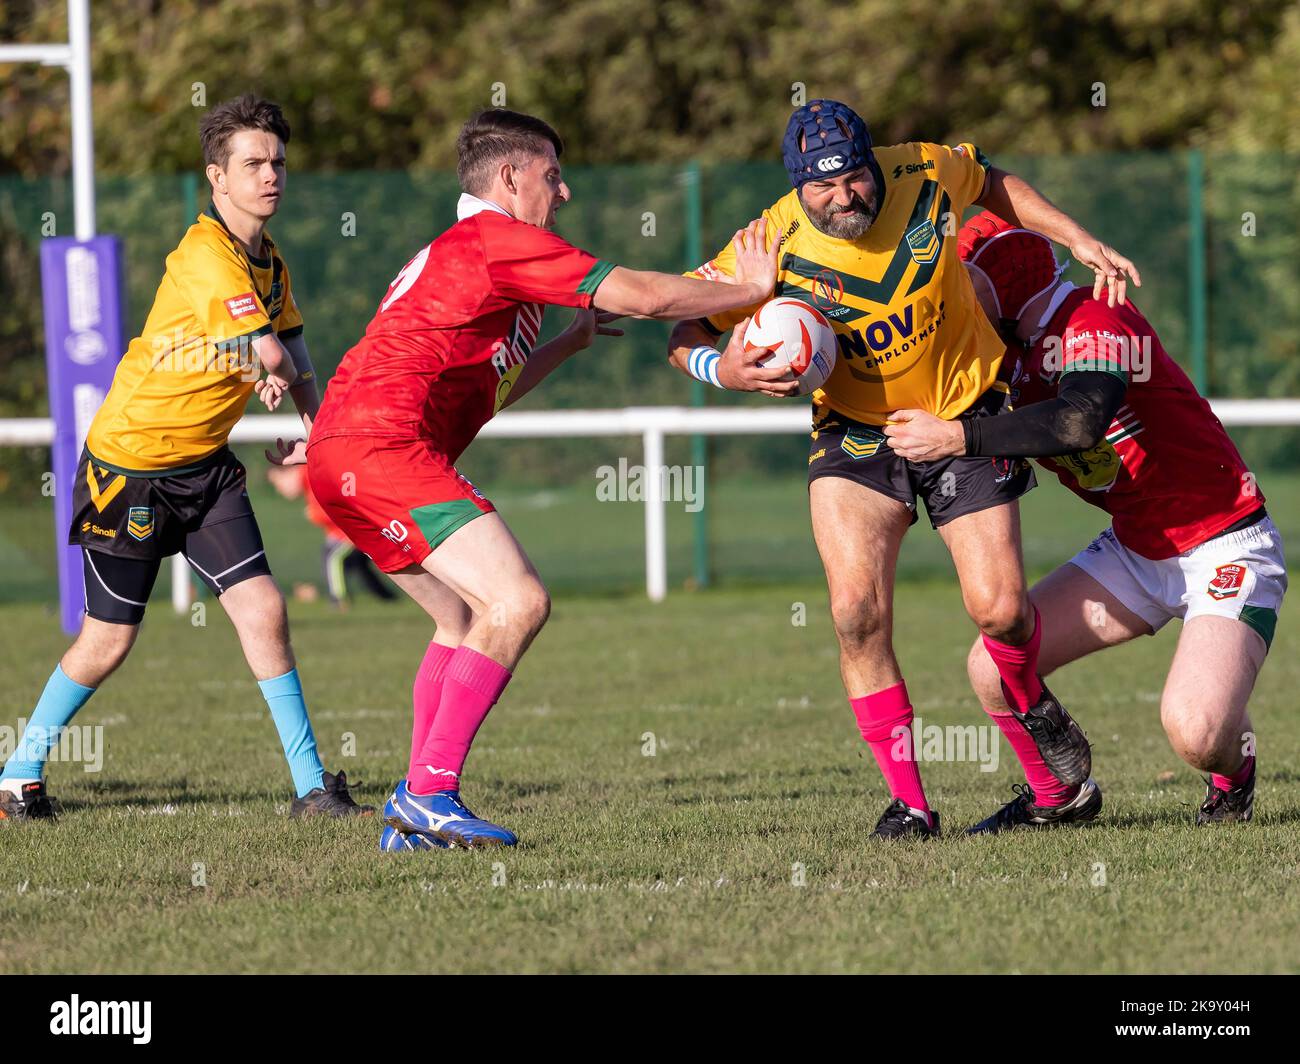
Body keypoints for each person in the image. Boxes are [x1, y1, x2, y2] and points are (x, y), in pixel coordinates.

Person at [307, 108, 781, 851]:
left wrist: (569, 343)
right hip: (382, 447)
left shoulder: (461, 252)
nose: (562, 194)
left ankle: (412, 807)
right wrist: (748, 290)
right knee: (519, 600)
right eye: (552, 176)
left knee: (460, 621)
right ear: (510, 177)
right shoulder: (498, 241)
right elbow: (648, 295)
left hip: (343, 454)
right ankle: (431, 793)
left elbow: (490, 388)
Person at [667, 99, 1139, 839]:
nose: (844, 197)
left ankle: (1048, 763)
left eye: (853, 178)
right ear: (797, 185)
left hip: (965, 417)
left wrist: (1077, 237)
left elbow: (994, 185)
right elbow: (684, 323)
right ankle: (911, 806)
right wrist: (720, 367)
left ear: (870, 161)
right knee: (855, 613)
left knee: (1002, 613)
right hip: (856, 437)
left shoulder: (921, 170)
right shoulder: (767, 241)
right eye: (822, 188)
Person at [0, 95, 369, 822]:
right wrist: (269, 372)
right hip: (128, 467)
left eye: (278, 163)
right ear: (216, 177)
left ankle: (311, 791)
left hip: (204, 466)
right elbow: (264, 351)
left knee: (263, 609)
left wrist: (313, 424)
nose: (271, 176)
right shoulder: (206, 253)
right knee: (108, 641)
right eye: (253, 164)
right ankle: (17, 776)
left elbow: (291, 349)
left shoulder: (271, 262)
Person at [883, 210, 1286, 832]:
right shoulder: (998, 356)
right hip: (1134, 552)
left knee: (1198, 732)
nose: (948, 295)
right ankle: (1060, 792)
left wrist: (956, 435)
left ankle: (1234, 772)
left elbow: (1079, 421)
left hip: (1224, 543)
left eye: (962, 278)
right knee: (992, 668)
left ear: (1005, 272)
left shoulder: (1093, 317)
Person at [266, 464, 396, 607]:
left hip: (360, 527)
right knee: (357, 563)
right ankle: (388, 598)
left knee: (332, 557)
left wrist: (315, 514)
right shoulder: (309, 481)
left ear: (290, 471)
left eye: (277, 482)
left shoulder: (313, 475)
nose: (279, 490)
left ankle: (339, 601)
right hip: (350, 530)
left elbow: (336, 504)